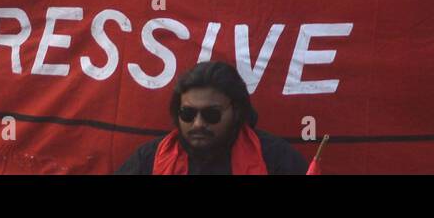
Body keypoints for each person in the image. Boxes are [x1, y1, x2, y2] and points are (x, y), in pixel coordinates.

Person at [117, 61, 306, 174]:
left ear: (236, 112)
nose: (198, 124)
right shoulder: (149, 159)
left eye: (211, 114)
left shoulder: (275, 158)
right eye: (188, 114)